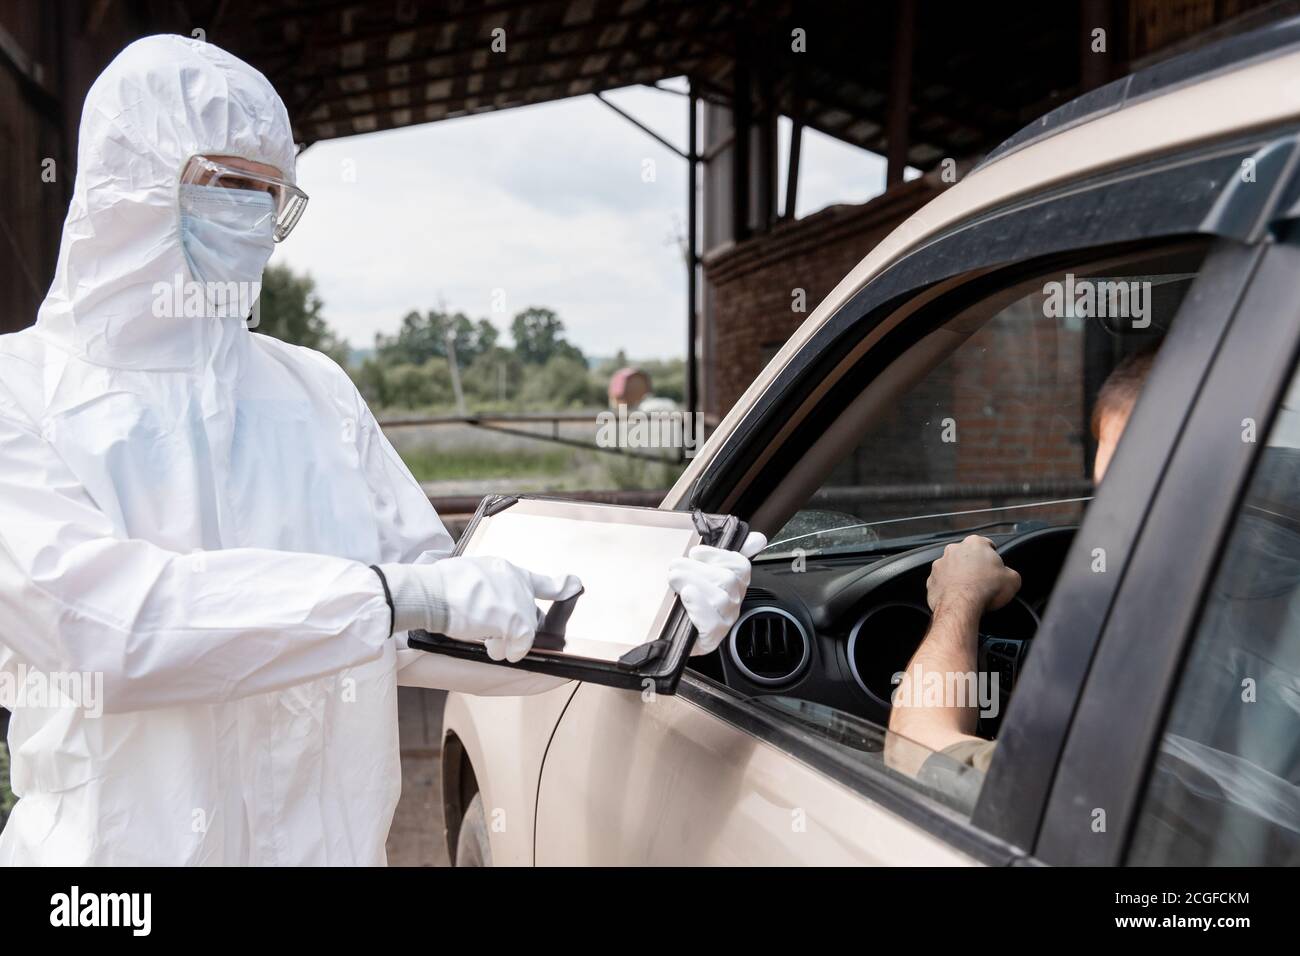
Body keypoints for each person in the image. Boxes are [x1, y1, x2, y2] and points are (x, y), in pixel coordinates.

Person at [0, 35, 762, 865]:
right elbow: (107, 632)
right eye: (228, 185)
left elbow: (437, 622)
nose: (256, 218)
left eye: (273, 194)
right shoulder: (20, 391)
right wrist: (395, 598)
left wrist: (651, 612)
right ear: (129, 181)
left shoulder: (313, 389)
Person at [887, 349, 1156, 775]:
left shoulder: (1114, 762)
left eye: (1132, 495)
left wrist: (959, 597)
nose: (1115, 522)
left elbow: (913, 750)